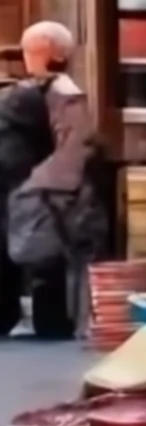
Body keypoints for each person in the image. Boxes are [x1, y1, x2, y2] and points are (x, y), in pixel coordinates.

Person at [0, 20, 104, 339]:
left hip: (38, 189)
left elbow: (72, 146)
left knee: (46, 255)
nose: (27, 55)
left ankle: (51, 321)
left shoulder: (59, 92)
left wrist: (39, 184)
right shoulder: (34, 90)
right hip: (22, 185)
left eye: (31, 49)